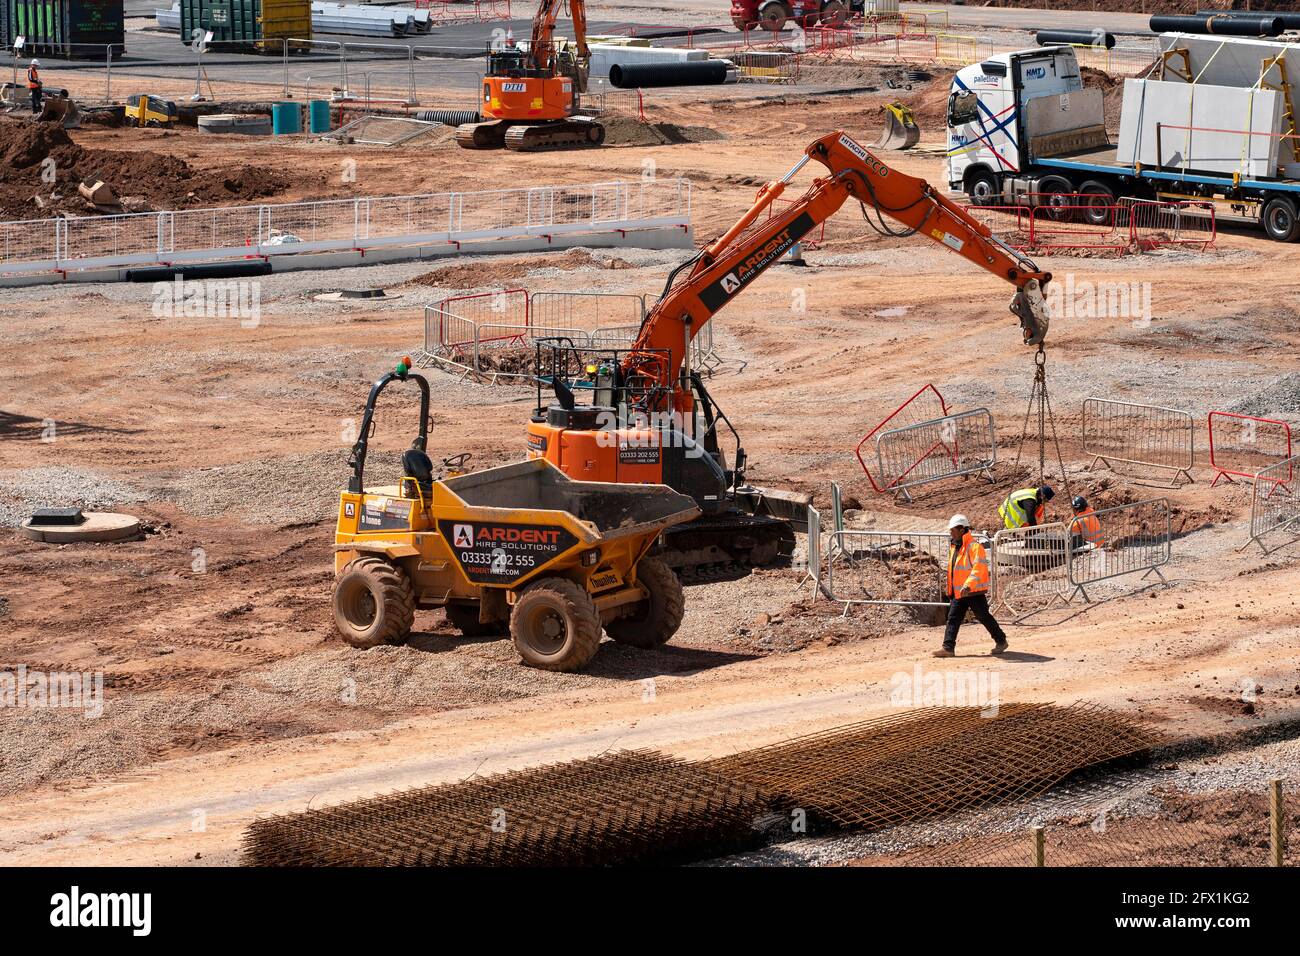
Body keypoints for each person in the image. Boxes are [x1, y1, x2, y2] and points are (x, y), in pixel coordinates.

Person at [933, 514, 1008, 658]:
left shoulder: (974, 547)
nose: (951, 532)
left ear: (962, 530)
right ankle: (948, 648)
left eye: (953, 530)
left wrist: (968, 585)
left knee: (983, 616)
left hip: (972, 591)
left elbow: (978, 567)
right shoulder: (955, 546)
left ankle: (1001, 640)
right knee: (953, 618)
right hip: (959, 592)